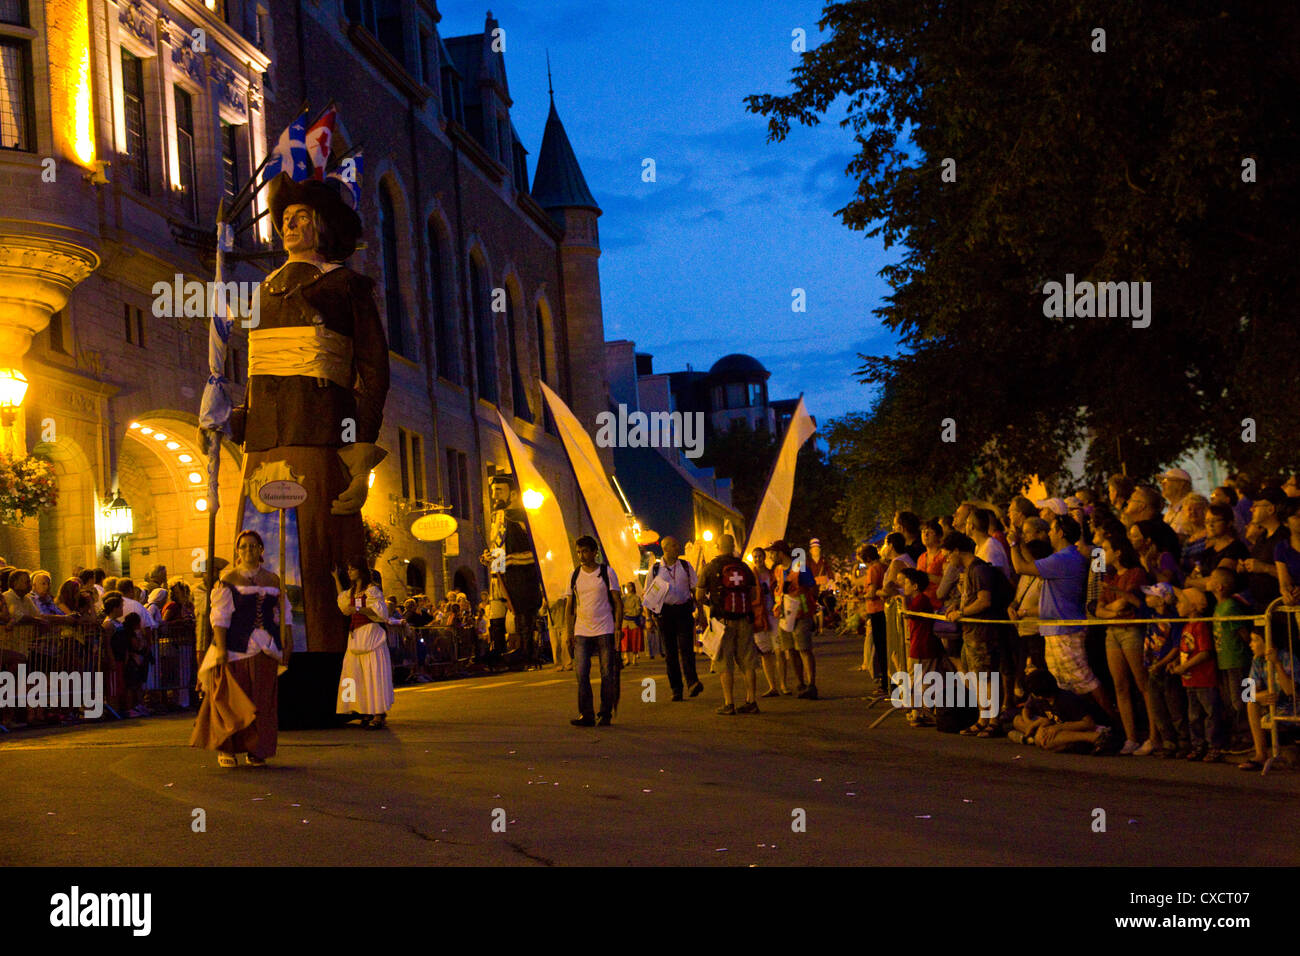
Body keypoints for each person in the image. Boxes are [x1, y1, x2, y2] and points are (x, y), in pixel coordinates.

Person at [222, 173, 389, 722]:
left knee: (317, 561)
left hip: (323, 434)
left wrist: (360, 442)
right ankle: (260, 681)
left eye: (300, 217)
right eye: (284, 218)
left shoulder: (348, 286)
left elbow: (374, 371)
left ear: (322, 225)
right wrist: (234, 419)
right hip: (267, 441)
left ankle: (323, 690)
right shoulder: (266, 289)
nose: (290, 225)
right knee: (264, 560)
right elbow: (258, 370)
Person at [190, 530, 290, 768]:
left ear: (261, 550)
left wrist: (288, 643)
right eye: (243, 546)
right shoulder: (228, 581)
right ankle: (228, 748)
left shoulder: (274, 580)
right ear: (237, 551)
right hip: (235, 648)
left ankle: (256, 749)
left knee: (261, 702)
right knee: (232, 701)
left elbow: (282, 615)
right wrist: (222, 647)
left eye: (253, 546)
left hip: (266, 648)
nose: (248, 550)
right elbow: (220, 618)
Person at [1011, 515, 1112, 717]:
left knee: (1085, 680)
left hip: (1066, 630)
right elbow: (1033, 565)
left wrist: (1013, 543)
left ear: (1060, 532)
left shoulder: (1065, 558)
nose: (1048, 533)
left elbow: (1021, 567)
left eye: (1052, 529)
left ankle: (1111, 721)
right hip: (1056, 629)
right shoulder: (1066, 557)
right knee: (1065, 683)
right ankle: (1080, 721)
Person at [942, 532, 1010, 736]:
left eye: (948, 554)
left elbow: (984, 600)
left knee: (987, 677)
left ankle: (994, 721)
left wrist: (961, 612)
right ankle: (983, 718)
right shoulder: (969, 571)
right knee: (978, 677)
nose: (947, 559)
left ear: (956, 550)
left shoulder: (979, 570)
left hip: (983, 633)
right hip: (971, 633)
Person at [1092, 525, 1150, 754]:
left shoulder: (1135, 573)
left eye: (1106, 549)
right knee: (1120, 685)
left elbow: (1123, 603)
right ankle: (1131, 736)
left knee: (1141, 682)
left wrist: (1113, 609)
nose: (1102, 553)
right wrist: (1113, 612)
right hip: (1113, 631)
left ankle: (1153, 735)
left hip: (1130, 630)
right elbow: (1099, 609)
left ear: (1118, 552)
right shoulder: (1110, 577)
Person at [697, 534, 760, 715]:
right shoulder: (744, 567)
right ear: (733, 546)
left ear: (718, 546)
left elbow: (699, 596)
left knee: (724, 663)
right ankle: (751, 700)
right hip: (744, 620)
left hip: (722, 622)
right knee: (748, 662)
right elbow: (755, 595)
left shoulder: (710, 567)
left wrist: (712, 602)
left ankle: (729, 703)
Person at [565, 536, 621, 727]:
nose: (581, 555)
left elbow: (617, 602)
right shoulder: (575, 575)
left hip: (604, 628)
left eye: (585, 551)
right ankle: (586, 714)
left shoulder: (607, 572)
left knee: (607, 673)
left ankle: (605, 713)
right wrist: (568, 632)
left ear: (594, 552)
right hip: (581, 630)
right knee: (581, 673)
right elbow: (569, 605)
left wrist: (618, 628)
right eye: (579, 552)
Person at [336, 557, 393, 729]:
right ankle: (358, 708)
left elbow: (381, 613)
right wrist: (336, 579)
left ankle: (378, 713)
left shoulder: (372, 590)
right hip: (355, 638)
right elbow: (343, 604)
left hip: (370, 636)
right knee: (353, 676)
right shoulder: (352, 592)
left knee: (373, 675)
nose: (349, 572)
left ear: (360, 571)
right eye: (348, 569)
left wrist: (359, 609)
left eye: (352, 569)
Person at [1169, 585, 1225, 762]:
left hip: (1203, 678)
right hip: (1190, 679)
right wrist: (1177, 662)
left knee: (1210, 713)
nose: (1177, 605)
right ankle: (1198, 744)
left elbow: (1205, 652)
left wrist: (1185, 667)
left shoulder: (1200, 626)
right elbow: (1188, 649)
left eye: (1180, 602)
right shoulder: (1186, 626)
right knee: (1194, 715)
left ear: (1192, 605)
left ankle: (1214, 745)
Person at [644, 536, 702, 702]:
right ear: (666, 548)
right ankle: (676, 688)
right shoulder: (655, 569)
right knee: (670, 653)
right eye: (675, 545)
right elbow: (648, 596)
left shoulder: (685, 566)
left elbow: (695, 589)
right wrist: (648, 618)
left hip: (684, 610)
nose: (678, 548)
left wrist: (700, 612)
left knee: (686, 648)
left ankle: (692, 682)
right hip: (665, 613)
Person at [1008, 667, 1116, 755]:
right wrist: (1036, 725)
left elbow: (1089, 723)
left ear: (1039, 695)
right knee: (1020, 722)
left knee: (1046, 741)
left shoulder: (1066, 699)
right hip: (1064, 728)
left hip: (1095, 729)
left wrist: (1057, 727)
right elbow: (1047, 718)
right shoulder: (1044, 701)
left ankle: (1096, 738)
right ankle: (1072, 744)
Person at [1207, 567, 1252, 752]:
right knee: (1229, 699)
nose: (1207, 580)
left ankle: (1248, 734)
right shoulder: (1218, 606)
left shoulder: (1230, 606)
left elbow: (1242, 632)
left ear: (1219, 586)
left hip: (1237, 659)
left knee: (1240, 698)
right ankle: (1238, 733)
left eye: (1211, 578)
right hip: (1224, 659)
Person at [1240, 628, 1296, 771]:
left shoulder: (1286, 657)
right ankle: (1260, 754)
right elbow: (1246, 692)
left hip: (1294, 706)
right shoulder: (1257, 661)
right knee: (1251, 702)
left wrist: (1276, 663)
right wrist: (1259, 696)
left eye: (1255, 640)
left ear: (1268, 643)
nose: (1251, 644)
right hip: (1276, 706)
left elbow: (1291, 690)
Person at [771, 540, 820, 699]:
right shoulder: (778, 570)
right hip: (785, 616)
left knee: (804, 649)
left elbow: (813, 588)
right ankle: (801, 683)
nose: (770, 556)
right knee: (790, 650)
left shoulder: (800, 567)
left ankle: (811, 685)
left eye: (772, 553)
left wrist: (808, 604)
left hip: (801, 614)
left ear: (780, 553)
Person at [899, 568, 943, 727]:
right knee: (918, 679)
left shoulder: (920, 601)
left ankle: (922, 712)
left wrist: (902, 600)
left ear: (915, 586)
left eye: (906, 583)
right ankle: (917, 711)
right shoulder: (920, 601)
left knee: (922, 680)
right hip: (920, 645)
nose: (904, 586)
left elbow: (907, 614)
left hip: (922, 646)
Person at [749, 547, 784, 696]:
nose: (758, 559)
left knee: (779, 651)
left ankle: (783, 684)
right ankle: (772, 686)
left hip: (774, 615)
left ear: (764, 557)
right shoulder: (750, 576)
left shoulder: (773, 574)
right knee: (765, 653)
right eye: (755, 557)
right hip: (759, 616)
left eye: (760, 556)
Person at [859, 544, 887, 686]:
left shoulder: (873, 569)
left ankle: (884, 679)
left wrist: (863, 596)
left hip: (876, 610)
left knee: (880, 645)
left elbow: (871, 592)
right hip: (882, 610)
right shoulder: (882, 566)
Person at [620, 583, 644, 666]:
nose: (628, 588)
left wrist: (629, 612)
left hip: (634, 623)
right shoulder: (623, 598)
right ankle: (626, 658)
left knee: (634, 641)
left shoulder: (636, 598)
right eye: (627, 586)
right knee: (625, 641)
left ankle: (634, 658)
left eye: (630, 586)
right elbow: (620, 609)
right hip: (625, 623)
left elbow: (638, 609)